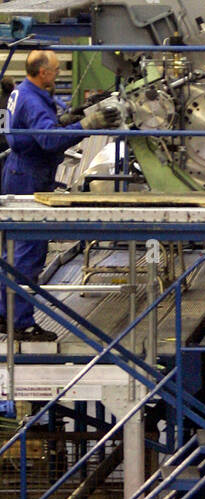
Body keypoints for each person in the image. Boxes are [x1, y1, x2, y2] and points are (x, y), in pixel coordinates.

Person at [0, 51, 119, 341]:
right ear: (43, 72)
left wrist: (67, 118)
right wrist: (87, 126)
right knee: (28, 252)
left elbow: (40, 127)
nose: (56, 74)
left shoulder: (25, 91)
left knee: (12, 250)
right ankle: (21, 323)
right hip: (29, 176)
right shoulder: (30, 96)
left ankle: (5, 315)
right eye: (53, 70)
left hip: (21, 172)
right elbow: (48, 139)